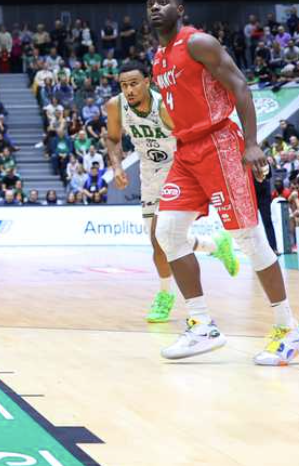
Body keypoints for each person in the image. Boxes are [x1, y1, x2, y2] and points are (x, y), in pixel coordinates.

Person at [147, 0, 299, 365]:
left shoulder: (199, 42)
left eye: (163, 2)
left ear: (180, 9)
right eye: (150, 3)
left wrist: (251, 143)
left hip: (219, 143)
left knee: (248, 237)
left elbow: (238, 84)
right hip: (186, 150)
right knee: (167, 231)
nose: (155, 7)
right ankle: (202, 324)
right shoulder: (158, 58)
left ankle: (289, 327)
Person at [102, 61, 238, 324]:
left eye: (134, 84)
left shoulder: (164, 107)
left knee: (158, 238)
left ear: (148, 82)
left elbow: (191, 137)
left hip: (179, 168)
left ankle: (165, 296)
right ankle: (213, 245)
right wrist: (117, 165)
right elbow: (113, 138)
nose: (128, 90)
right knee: (162, 239)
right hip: (149, 172)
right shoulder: (115, 106)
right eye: (124, 85)